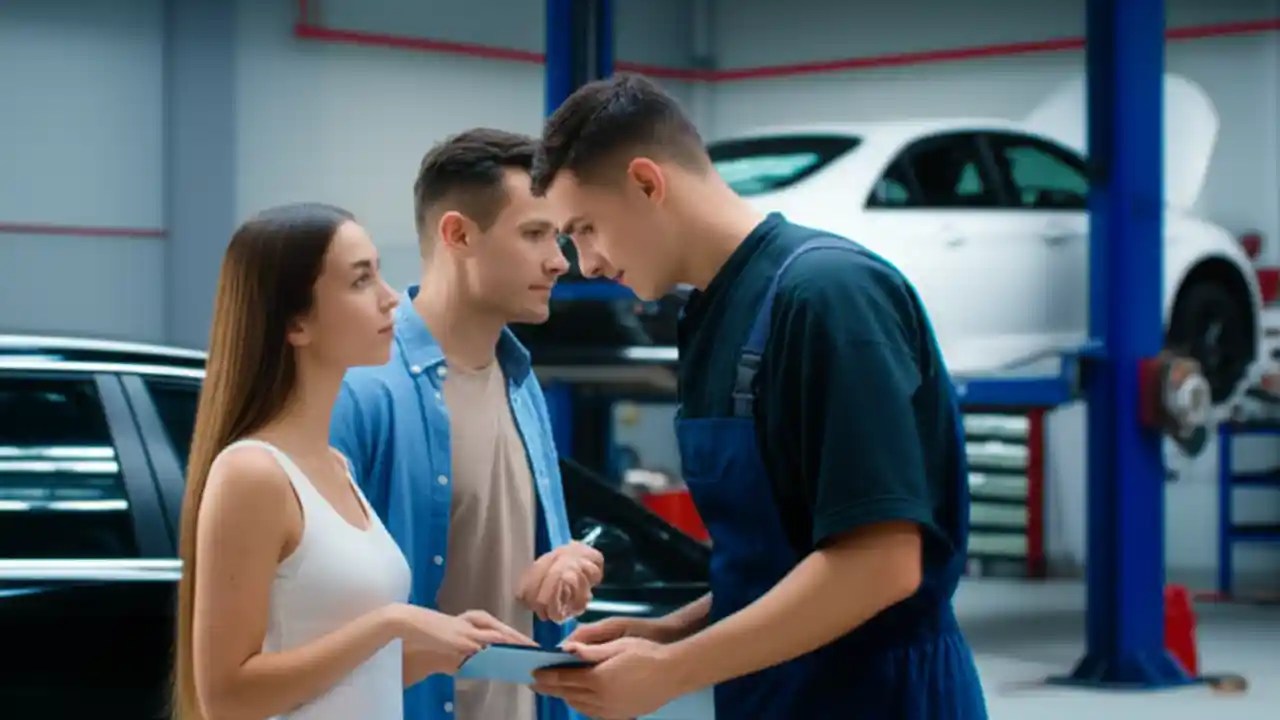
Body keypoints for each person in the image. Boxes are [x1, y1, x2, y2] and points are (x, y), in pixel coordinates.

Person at [528, 74, 989, 720]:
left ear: (647, 183)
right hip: (775, 695)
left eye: (585, 229)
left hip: (878, 697)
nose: (588, 264)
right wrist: (670, 633)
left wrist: (673, 671)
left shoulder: (828, 297)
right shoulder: (713, 315)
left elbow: (879, 563)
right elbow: (780, 561)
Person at [173, 203, 532, 720]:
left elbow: (339, 684)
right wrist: (391, 624)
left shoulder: (336, 466)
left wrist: (441, 648)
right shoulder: (253, 474)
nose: (391, 298)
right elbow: (226, 698)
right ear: (297, 323)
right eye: (361, 281)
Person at [329, 129, 604, 720]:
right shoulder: (359, 392)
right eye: (534, 234)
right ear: (457, 234)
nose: (560, 261)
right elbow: (311, 617)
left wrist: (565, 563)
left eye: (558, 237)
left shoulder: (521, 382)